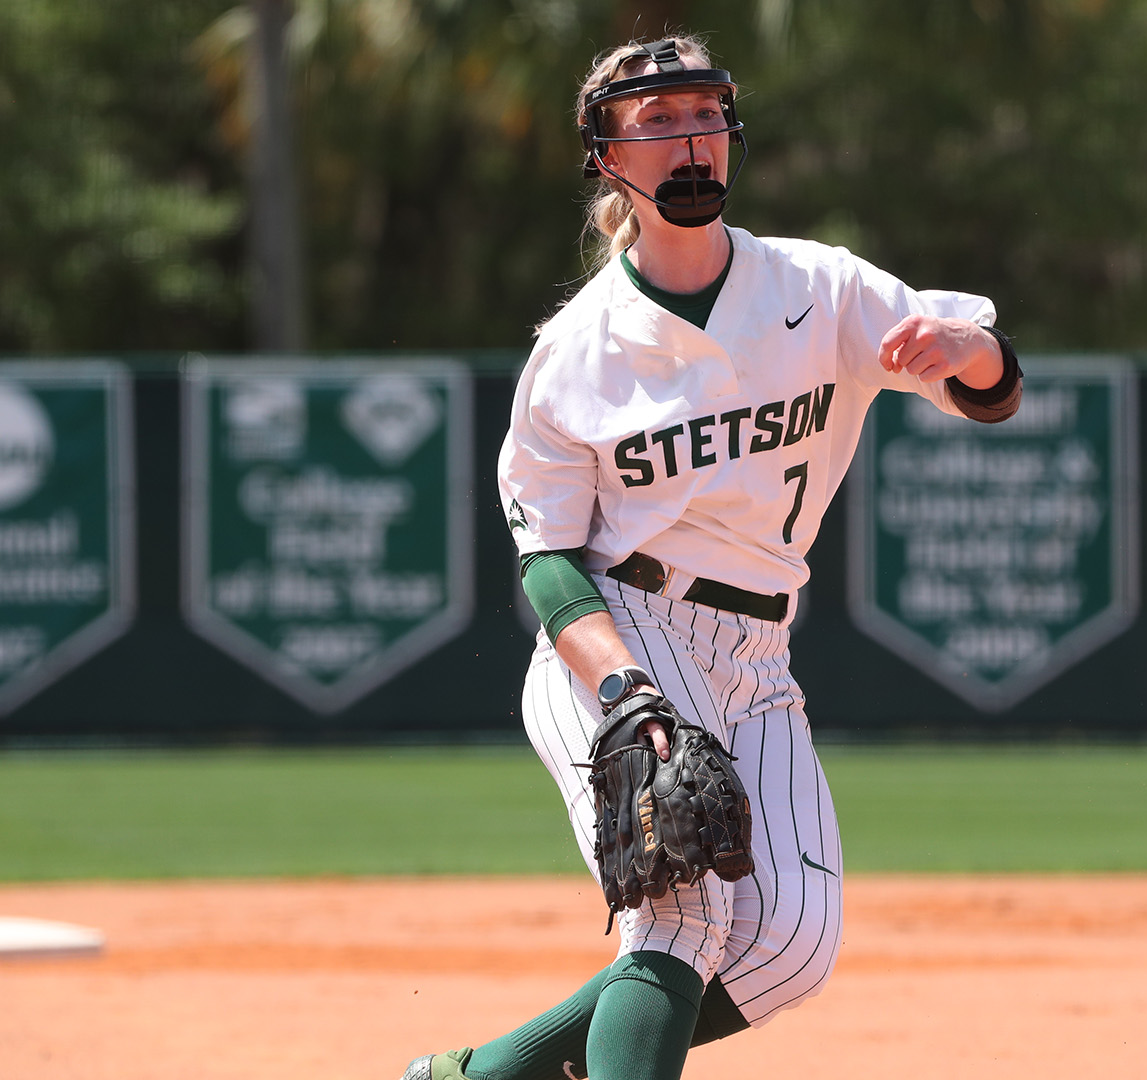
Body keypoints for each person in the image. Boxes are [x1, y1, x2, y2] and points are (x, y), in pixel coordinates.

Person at [402, 33, 1021, 1080]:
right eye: (657, 123)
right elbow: (547, 560)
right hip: (618, 633)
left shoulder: (822, 288)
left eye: (703, 116)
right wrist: (630, 695)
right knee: (684, 908)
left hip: (761, 656)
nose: (690, 142)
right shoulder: (578, 351)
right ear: (608, 155)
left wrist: (970, 353)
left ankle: (479, 1077)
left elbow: (992, 388)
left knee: (787, 949)